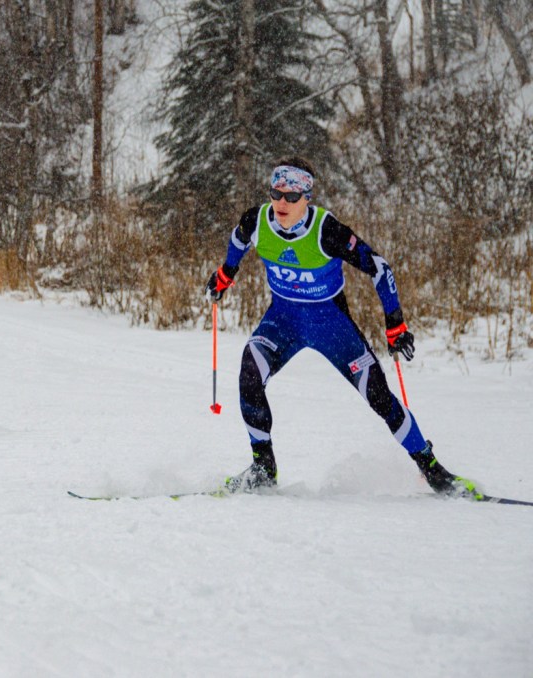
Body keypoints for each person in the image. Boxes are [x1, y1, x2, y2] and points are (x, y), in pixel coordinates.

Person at [205, 157, 479, 498]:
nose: (281, 203)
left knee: (380, 398)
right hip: (282, 321)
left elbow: (380, 267)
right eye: (276, 193)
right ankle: (263, 468)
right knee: (249, 372)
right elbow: (238, 239)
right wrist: (225, 274)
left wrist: (395, 324)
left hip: (332, 328)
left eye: (292, 197)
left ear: (307, 197)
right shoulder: (257, 220)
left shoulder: (326, 230)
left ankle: (432, 469)